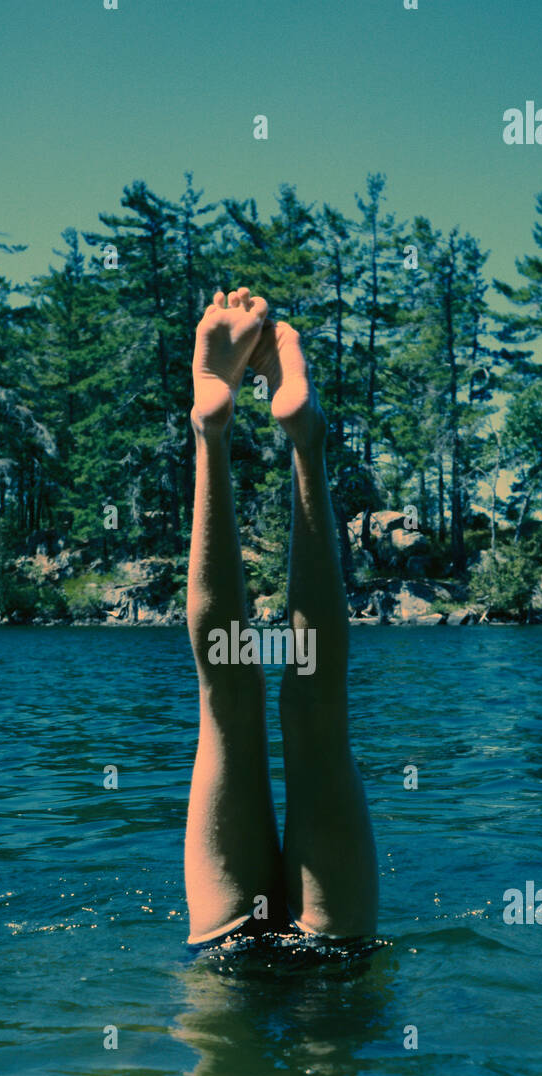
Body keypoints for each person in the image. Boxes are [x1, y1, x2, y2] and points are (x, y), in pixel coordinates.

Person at [184, 288, 378, 947]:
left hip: (226, 972)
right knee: (316, 712)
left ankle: (211, 430)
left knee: (228, 702)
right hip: (339, 978)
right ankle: (306, 439)